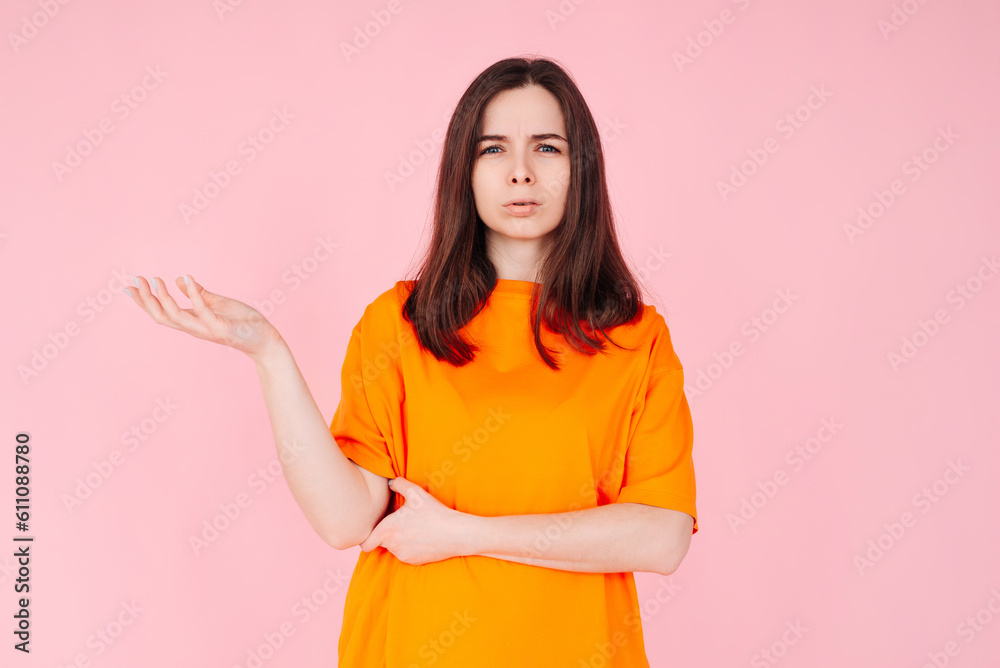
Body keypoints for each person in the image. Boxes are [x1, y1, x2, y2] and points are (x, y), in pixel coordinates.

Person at [125, 55, 697, 668]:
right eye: (494, 150)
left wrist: (464, 535)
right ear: (464, 170)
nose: (521, 174)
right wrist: (269, 353)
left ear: (582, 167)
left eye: (548, 148)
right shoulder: (400, 323)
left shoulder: (634, 337)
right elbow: (345, 520)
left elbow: (662, 538)